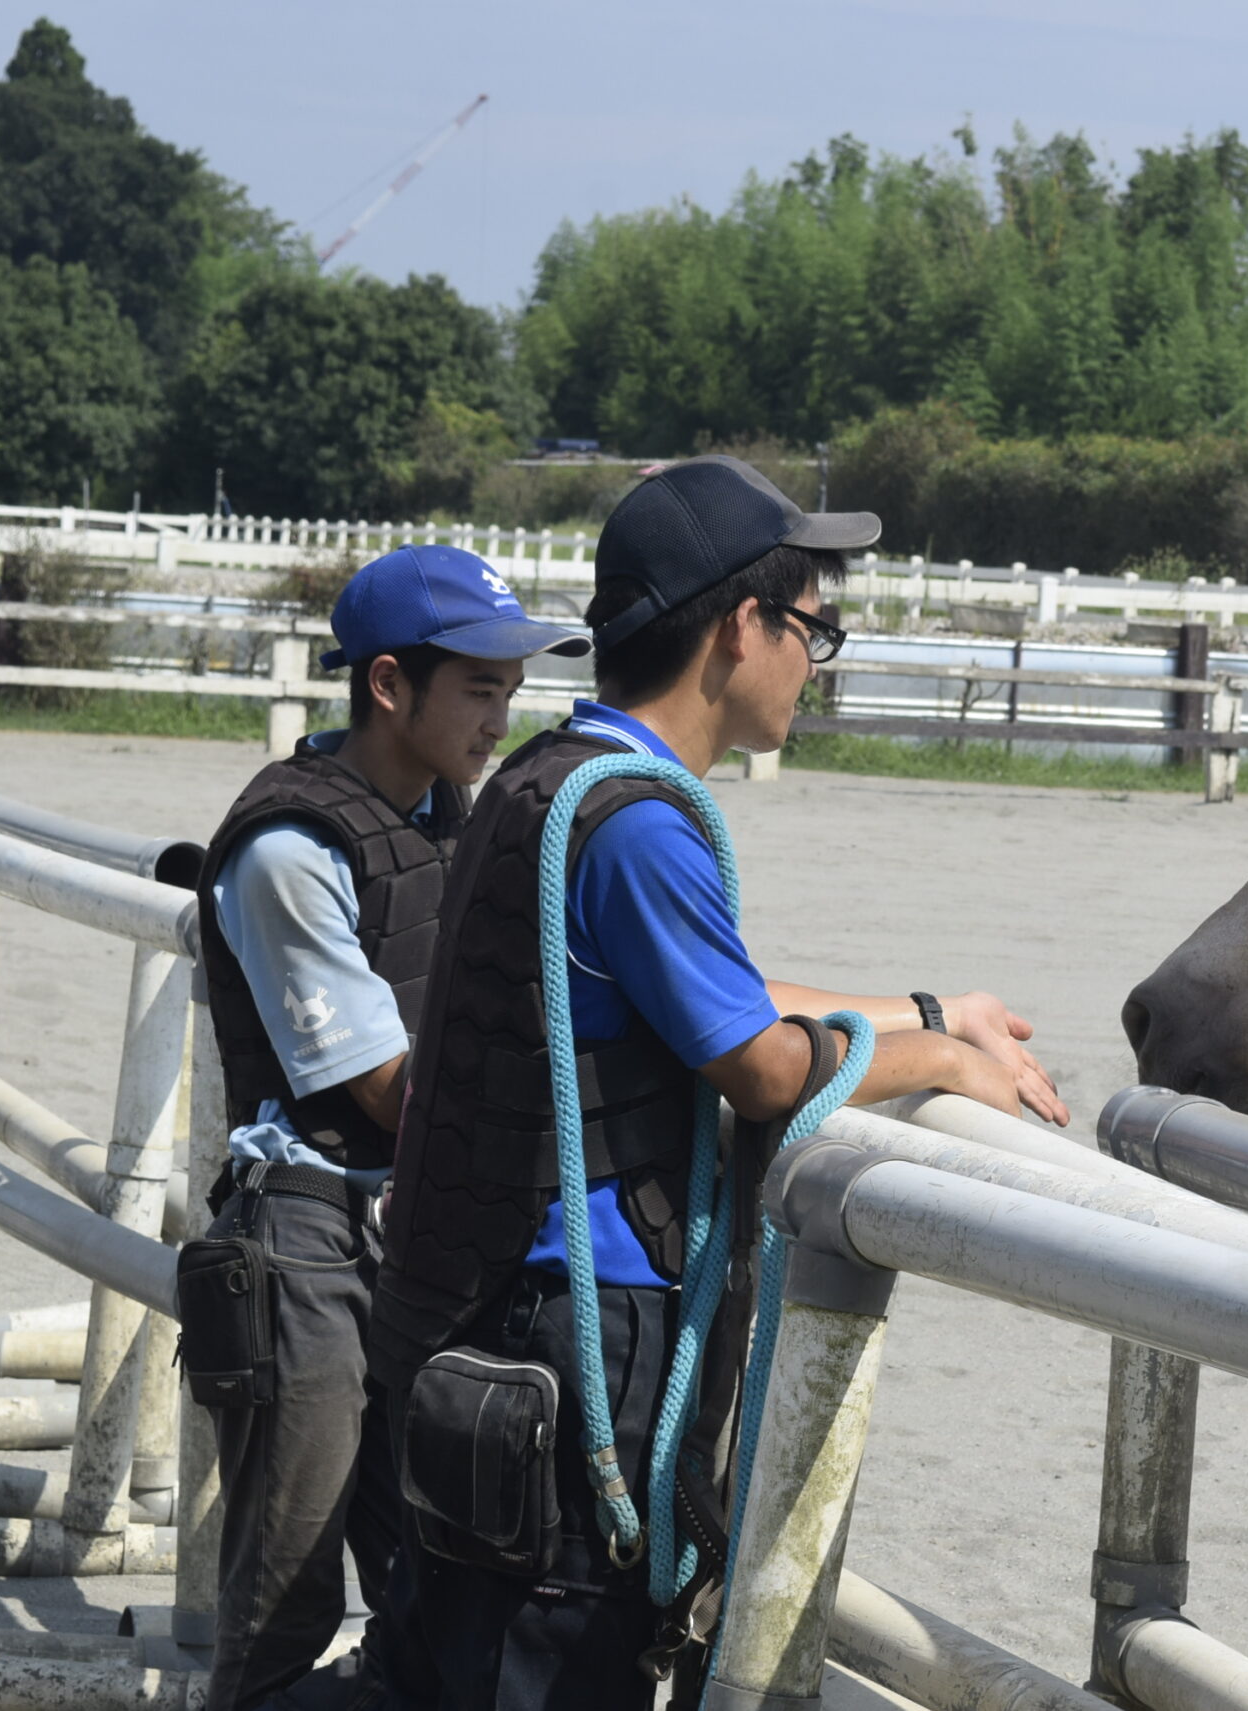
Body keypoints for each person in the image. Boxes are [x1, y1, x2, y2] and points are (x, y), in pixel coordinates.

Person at [371, 456, 1065, 1709]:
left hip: (483, 1306)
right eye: (813, 628)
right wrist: (946, 1063)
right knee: (559, 1660)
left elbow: (714, 993)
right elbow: (759, 1063)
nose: (814, 662)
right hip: (584, 1328)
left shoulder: (551, 778)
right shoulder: (638, 821)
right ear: (742, 625)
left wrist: (925, 1008)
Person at [191, 544, 590, 1711]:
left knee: (434, 1581)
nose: (500, 720)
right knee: (286, 1595)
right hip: (307, 1241)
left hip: (408, 1233)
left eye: (512, 692)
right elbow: (388, 1090)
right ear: (386, 684)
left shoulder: (450, 818)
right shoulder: (288, 846)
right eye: (480, 689)